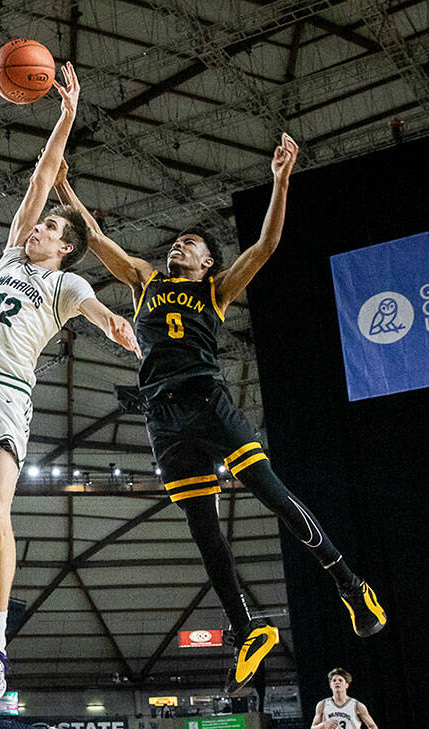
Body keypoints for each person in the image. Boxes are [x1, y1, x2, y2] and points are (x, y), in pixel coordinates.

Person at [54, 136, 386, 695]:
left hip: (209, 403)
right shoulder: (144, 280)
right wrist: (65, 187)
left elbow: (265, 245)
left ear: (207, 261)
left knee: (275, 496)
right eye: (177, 242)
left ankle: (350, 584)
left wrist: (280, 181)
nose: (178, 246)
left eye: (190, 244)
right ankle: (248, 629)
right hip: (162, 419)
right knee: (204, 531)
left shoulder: (217, 290)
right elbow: (97, 239)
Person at [0, 61, 140, 704]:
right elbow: (42, 176)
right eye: (40, 223)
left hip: (12, 398)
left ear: (64, 247)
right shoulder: (12, 249)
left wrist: (116, 326)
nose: (39, 227)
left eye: (50, 228)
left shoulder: (67, 283)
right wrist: (66, 116)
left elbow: (97, 312)